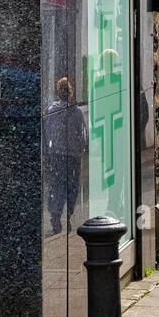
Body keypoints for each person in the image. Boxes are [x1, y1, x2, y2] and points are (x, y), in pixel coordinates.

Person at [43, 76, 87, 235]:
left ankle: (55, 215)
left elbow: (45, 134)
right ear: (70, 93)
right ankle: (68, 215)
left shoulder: (49, 111)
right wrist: (81, 150)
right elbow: (83, 136)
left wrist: (48, 152)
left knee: (55, 185)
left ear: (57, 91)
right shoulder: (77, 113)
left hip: (55, 155)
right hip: (73, 157)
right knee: (72, 185)